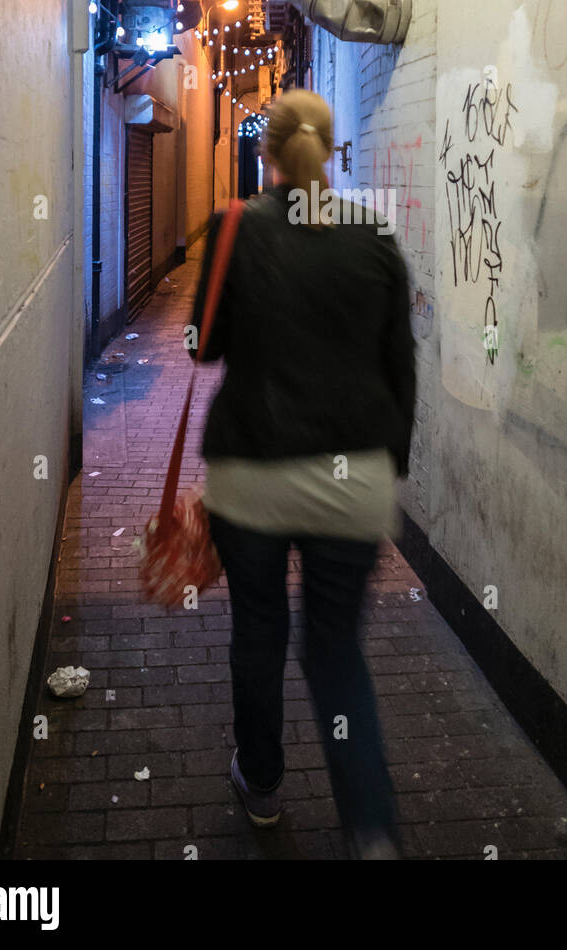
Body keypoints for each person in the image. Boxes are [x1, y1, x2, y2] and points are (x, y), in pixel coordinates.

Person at [189, 88, 415, 860]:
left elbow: (200, 347)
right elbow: (400, 370)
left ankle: (260, 785)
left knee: (257, 635)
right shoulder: (374, 237)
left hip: (251, 478)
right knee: (334, 651)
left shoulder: (232, 231)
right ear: (330, 149)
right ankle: (372, 829)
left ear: (268, 156)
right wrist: (391, 470)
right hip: (353, 485)